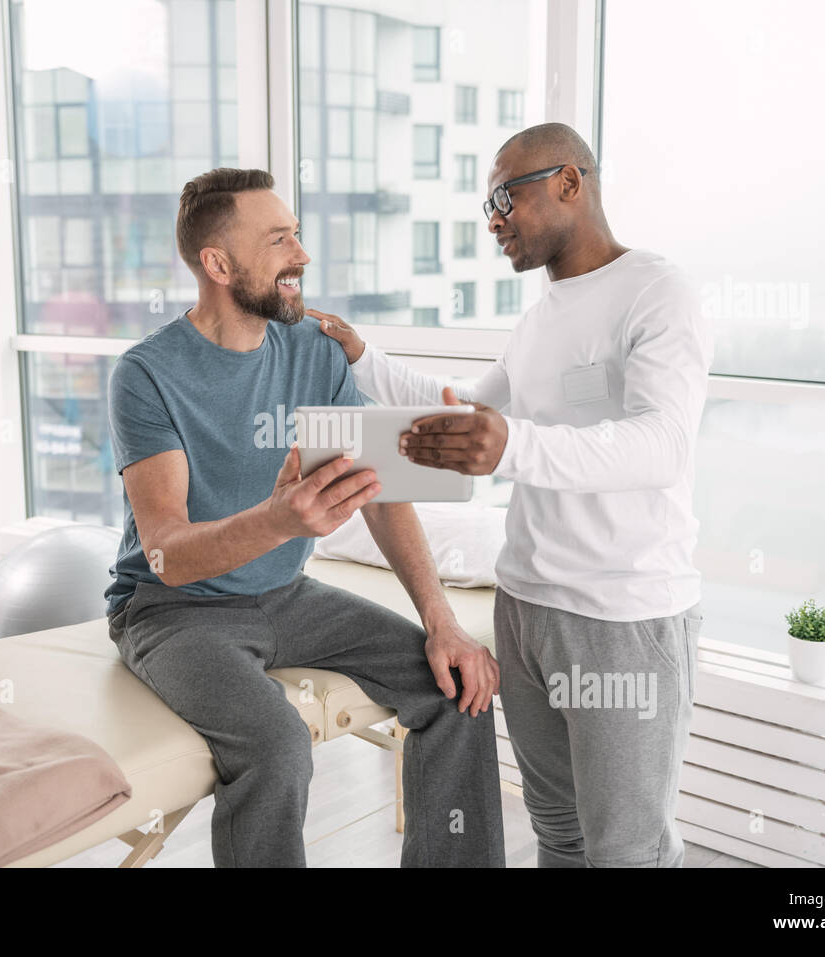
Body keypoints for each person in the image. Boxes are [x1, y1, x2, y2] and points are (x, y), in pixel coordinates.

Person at [313, 123, 714, 867]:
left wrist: (513, 444)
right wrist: (361, 355)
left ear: (570, 181)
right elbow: (468, 413)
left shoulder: (658, 292)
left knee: (627, 849)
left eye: (504, 195)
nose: (494, 218)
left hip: (622, 617)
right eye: (485, 205)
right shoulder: (540, 320)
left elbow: (663, 446)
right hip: (526, 609)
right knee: (557, 832)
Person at [105, 167, 505, 868]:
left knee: (457, 687)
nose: (302, 254)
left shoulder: (315, 352)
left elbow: (378, 491)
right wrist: (279, 522)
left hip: (285, 596)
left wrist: (443, 624)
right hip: (172, 611)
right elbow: (166, 551)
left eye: (298, 235)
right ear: (219, 263)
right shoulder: (147, 374)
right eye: (280, 239)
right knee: (277, 744)